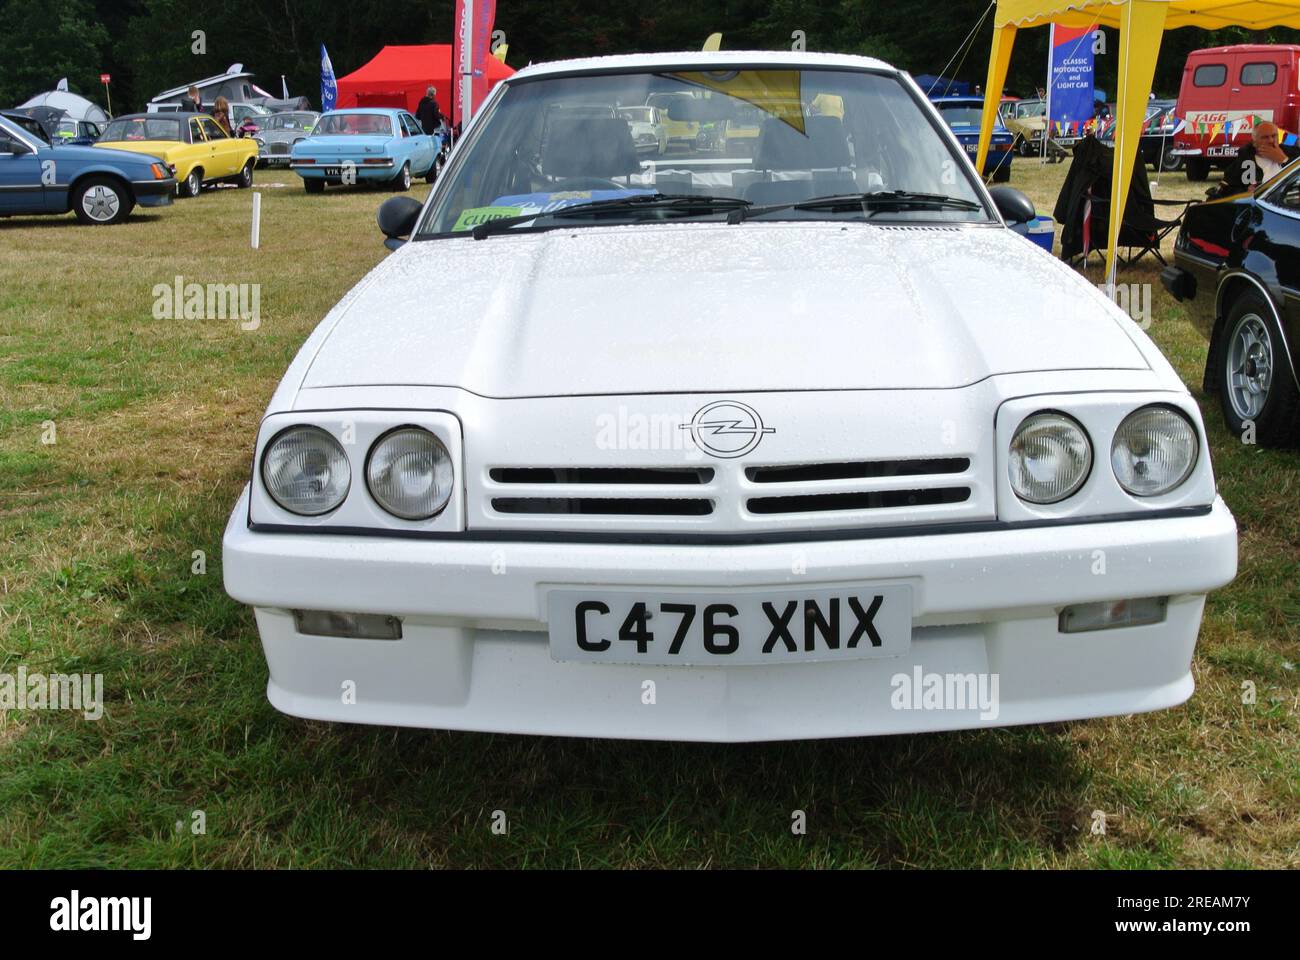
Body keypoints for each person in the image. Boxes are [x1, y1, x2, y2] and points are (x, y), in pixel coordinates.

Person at [1213, 121, 1298, 197]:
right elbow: (1227, 189)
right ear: (1254, 142)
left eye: (1274, 136)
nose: (1271, 141)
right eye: (1265, 137)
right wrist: (1245, 192)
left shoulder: (1293, 154)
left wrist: (1284, 160)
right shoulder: (1244, 159)